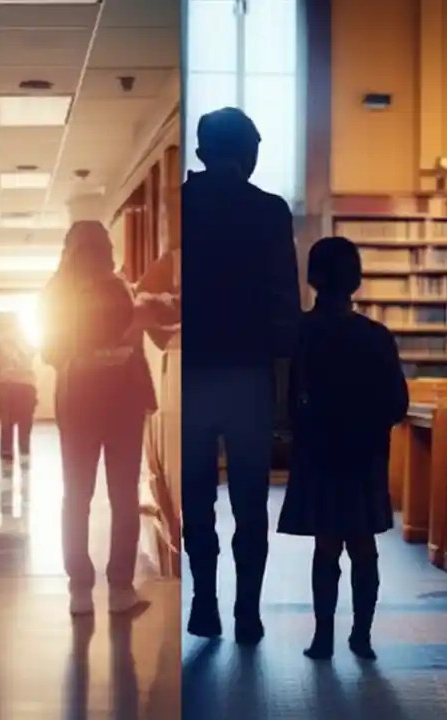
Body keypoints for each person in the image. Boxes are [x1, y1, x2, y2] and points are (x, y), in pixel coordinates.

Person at [181, 107, 300, 644]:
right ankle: (246, 612)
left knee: (197, 497)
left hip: (190, 378)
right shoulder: (271, 212)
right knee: (251, 502)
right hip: (250, 376)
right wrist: (287, 392)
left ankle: (203, 602)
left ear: (202, 152)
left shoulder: (179, 205)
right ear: (250, 154)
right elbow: (283, 305)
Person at [277, 237, 408, 661]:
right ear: (356, 279)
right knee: (364, 548)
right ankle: (362, 636)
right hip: (364, 452)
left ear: (312, 278)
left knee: (326, 547)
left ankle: (322, 637)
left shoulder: (300, 333)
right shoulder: (376, 336)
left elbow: (286, 396)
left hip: (318, 449)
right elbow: (397, 403)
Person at [41, 221, 156, 615]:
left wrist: (82, 355)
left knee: (77, 495)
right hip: (123, 401)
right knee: (123, 494)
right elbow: (141, 332)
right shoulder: (120, 285)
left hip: (77, 400)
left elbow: (49, 352)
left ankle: (80, 590)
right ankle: (121, 587)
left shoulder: (56, 292)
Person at [0, 312, 38, 467]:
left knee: (7, 421)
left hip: (7, 385)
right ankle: (24, 453)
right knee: (25, 421)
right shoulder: (26, 340)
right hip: (27, 385)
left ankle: (7, 455)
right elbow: (34, 354)